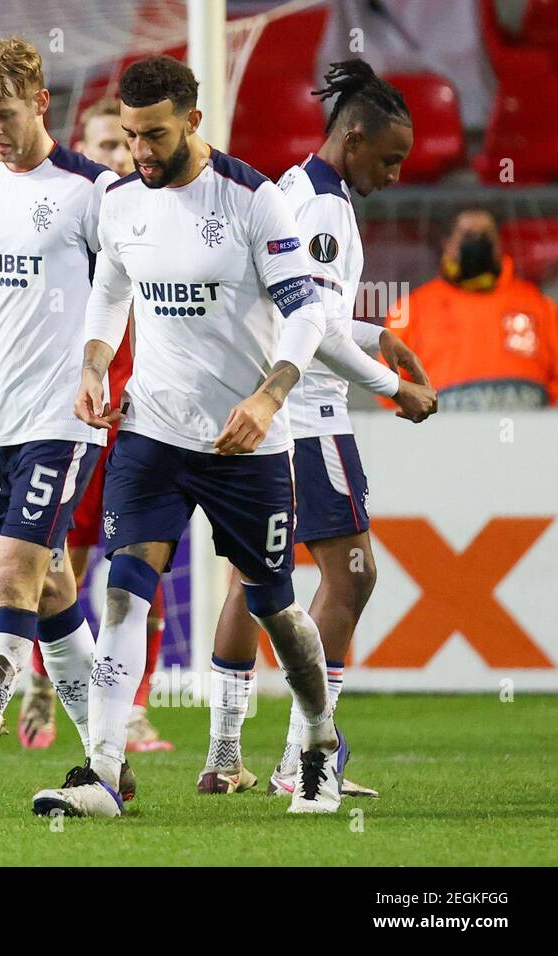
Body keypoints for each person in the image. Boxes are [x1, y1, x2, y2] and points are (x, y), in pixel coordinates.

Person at [31, 55, 436, 819]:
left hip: (247, 444)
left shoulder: (255, 201)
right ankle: (103, 771)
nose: (140, 151)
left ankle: (315, 743)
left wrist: (268, 393)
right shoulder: (118, 200)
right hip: (151, 432)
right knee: (123, 593)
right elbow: (111, 286)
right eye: (130, 135)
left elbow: (308, 313)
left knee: (277, 608)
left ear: (193, 120)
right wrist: (93, 365)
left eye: (154, 135)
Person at [204, 60, 438, 800]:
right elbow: (318, 335)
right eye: (391, 158)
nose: (396, 175)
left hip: (263, 411)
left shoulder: (286, 189)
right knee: (352, 578)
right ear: (355, 136)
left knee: (253, 576)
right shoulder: (329, 210)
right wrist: (394, 388)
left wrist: (377, 335)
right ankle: (307, 756)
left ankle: (222, 757)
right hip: (308, 415)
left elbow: (311, 312)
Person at [0, 36, 122, 811]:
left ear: (42, 104)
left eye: (6, 114)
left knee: (9, 574)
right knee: (49, 588)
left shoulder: (90, 190)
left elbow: (124, 290)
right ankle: (108, 757)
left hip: (61, 419)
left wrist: (98, 369)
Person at [18, 96, 174, 754]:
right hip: (74, 414)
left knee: (142, 569)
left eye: (123, 145)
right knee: (60, 564)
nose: (115, 157)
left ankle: (132, 710)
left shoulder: (158, 222)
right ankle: (42, 685)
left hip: (143, 418)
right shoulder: (61, 226)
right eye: (103, 146)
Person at [384, 208, 558, 410]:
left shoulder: (536, 303)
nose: (478, 242)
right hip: (445, 434)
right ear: (447, 244)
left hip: (528, 430)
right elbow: (389, 384)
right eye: (468, 235)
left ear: (498, 243)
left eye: (485, 235)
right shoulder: (413, 308)